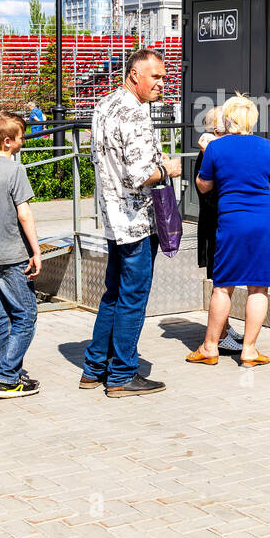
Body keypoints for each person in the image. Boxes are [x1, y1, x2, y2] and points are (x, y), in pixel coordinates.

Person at [82, 48, 182, 398]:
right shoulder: (135, 114)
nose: (161, 83)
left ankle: (94, 368)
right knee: (132, 296)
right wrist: (167, 167)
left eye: (164, 77)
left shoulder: (104, 105)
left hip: (112, 216)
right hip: (136, 220)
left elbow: (105, 158)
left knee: (114, 292)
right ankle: (123, 374)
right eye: (155, 76)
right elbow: (141, 174)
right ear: (134, 75)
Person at [188, 94, 270, 367]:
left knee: (223, 287)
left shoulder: (217, 149)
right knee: (259, 288)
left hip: (232, 222)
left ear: (227, 120)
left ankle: (209, 348)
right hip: (265, 222)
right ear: (252, 120)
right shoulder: (267, 147)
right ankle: (250, 351)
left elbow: (204, 185)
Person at [0, 110, 43, 400]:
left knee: (0, 316)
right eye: (20, 138)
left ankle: (0, 370)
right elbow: (24, 213)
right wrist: (36, 250)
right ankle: (7, 378)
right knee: (26, 315)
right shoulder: (15, 170)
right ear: (7, 142)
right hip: (12, 254)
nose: (23, 142)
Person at [192, 105, 244, 352]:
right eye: (230, 127)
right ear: (217, 131)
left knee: (226, 280)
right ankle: (220, 335)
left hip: (221, 222)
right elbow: (210, 192)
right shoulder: (211, 155)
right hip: (217, 224)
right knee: (222, 281)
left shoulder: (215, 151)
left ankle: (224, 325)